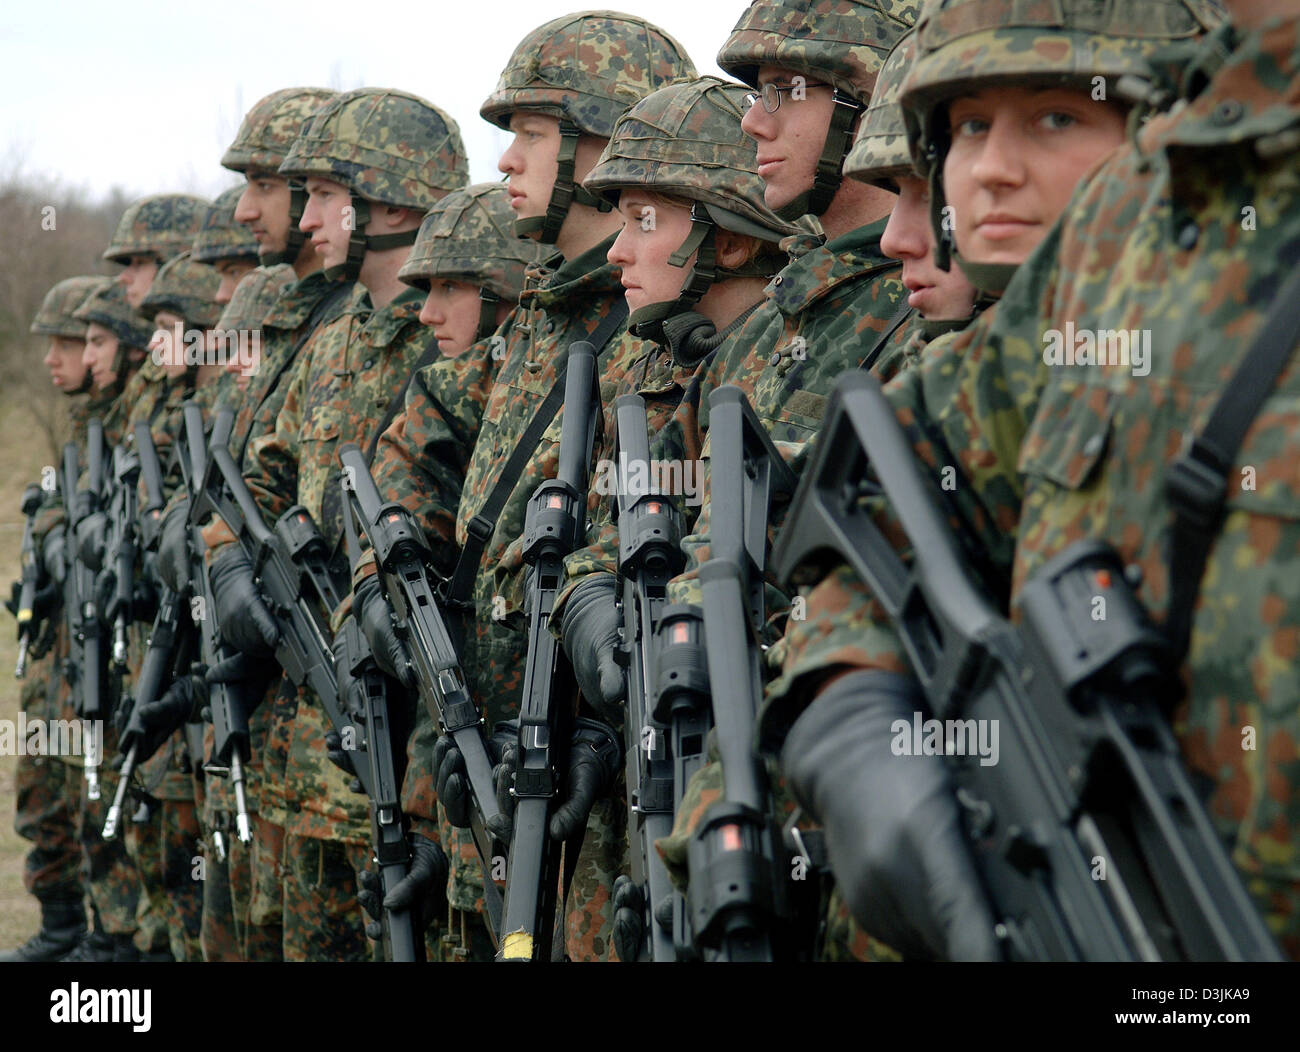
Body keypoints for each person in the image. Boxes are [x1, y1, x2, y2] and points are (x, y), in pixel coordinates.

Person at [764, 0, 1300, 962]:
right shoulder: (1143, 206)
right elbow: (892, 474)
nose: (993, 170)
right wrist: (852, 708)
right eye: (968, 127)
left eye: (1056, 116)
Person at [354, 10, 696, 961]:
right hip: (487, 771)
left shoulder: (662, 320)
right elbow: (405, 450)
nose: (506, 160)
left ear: (603, 142)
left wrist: (593, 718)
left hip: (600, 800)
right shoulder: (539, 318)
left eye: (532, 135)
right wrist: (385, 582)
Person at [205, 86, 469, 962]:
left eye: (322, 194)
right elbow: (262, 481)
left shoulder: (454, 336)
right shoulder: (333, 337)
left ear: (387, 200)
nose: (305, 215)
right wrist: (234, 568)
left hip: (408, 745)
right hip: (304, 733)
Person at [1, 275, 111, 962]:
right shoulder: (78, 425)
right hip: (56, 638)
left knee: (89, 790)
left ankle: (101, 932)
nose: (54, 359)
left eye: (70, 344)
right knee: (43, 779)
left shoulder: (121, 422)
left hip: (95, 639)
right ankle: (64, 924)